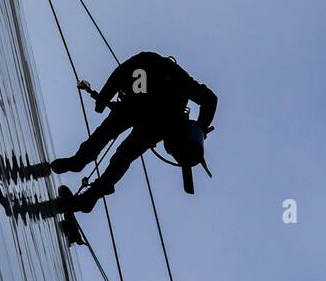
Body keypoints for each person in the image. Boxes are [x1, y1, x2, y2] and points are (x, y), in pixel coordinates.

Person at [51, 51, 217, 212]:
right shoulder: (168, 72)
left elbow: (121, 74)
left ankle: (85, 178)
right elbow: (209, 99)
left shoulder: (159, 68)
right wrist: (201, 127)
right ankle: (86, 180)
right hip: (147, 116)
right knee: (119, 151)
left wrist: (104, 98)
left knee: (112, 144)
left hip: (148, 117)